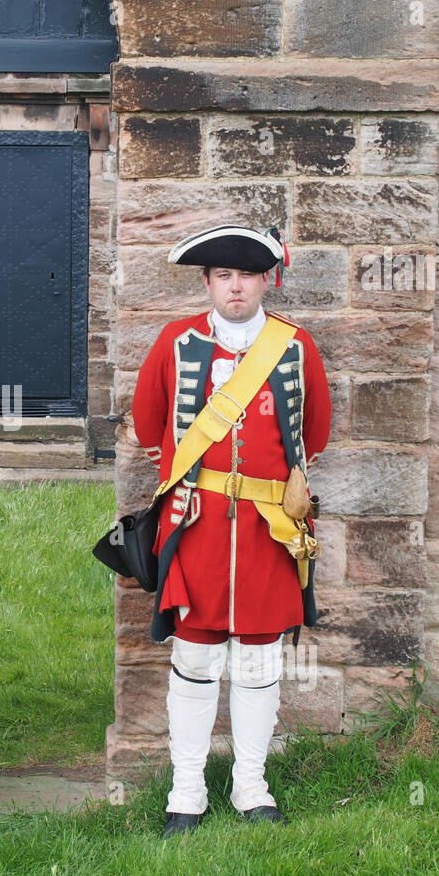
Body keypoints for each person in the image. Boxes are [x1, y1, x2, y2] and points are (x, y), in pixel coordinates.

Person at [131, 224, 330, 836]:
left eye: (247, 275)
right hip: (198, 528)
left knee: (257, 663)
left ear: (266, 279)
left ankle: (251, 786)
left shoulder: (296, 346)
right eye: (223, 276)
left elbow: (314, 433)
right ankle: (185, 792)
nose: (236, 287)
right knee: (195, 658)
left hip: (271, 529)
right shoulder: (175, 343)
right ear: (208, 282)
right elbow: (146, 426)